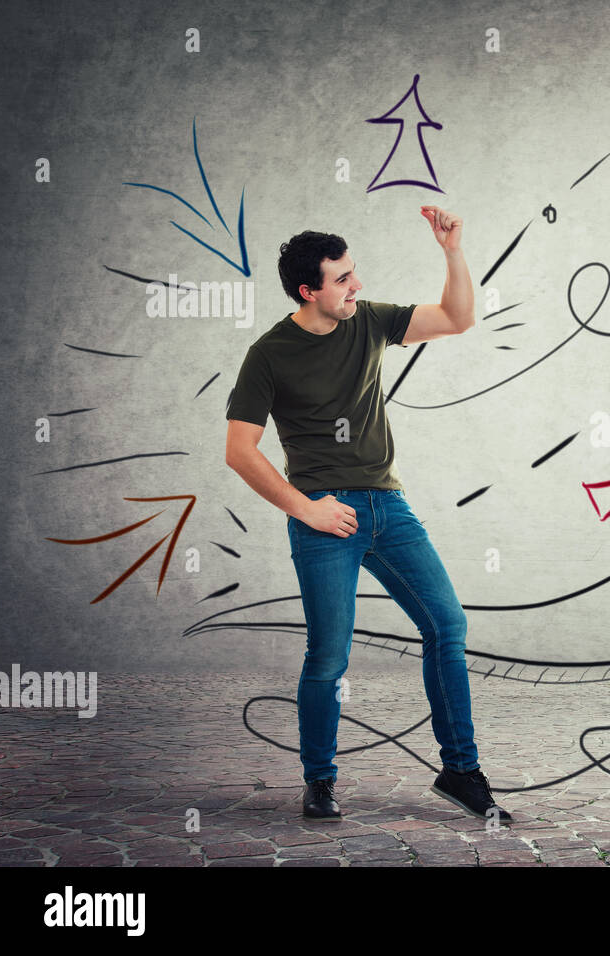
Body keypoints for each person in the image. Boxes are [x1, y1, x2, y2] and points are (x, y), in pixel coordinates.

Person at [224, 206, 511, 825]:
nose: (356, 286)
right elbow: (238, 450)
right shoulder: (269, 354)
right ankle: (320, 782)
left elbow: (459, 318)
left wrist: (453, 251)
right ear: (309, 291)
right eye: (343, 279)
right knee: (329, 654)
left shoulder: (369, 321)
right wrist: (307, 510)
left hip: (389, 508)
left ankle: (460, 771)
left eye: (355, 273)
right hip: (324, 519)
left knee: (447, 626)